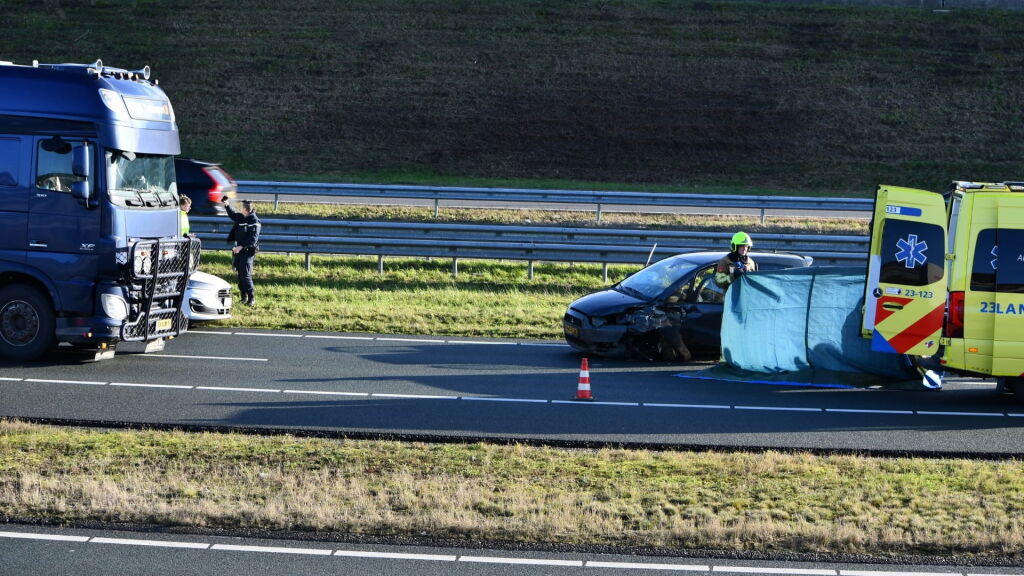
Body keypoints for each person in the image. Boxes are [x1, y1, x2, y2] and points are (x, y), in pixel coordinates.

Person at [223, 199, 261, 307]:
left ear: (245, 209)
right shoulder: (241, 217)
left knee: (246, 275)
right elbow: (232, 215)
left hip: (248, 252)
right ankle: (243, 297)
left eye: (241, 207)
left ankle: (251, 297)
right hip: (239, 251)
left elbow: (253, 239)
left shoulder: (255, 221)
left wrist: (241, 247)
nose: (240, 209)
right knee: (240, 275)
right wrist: (227, 205)